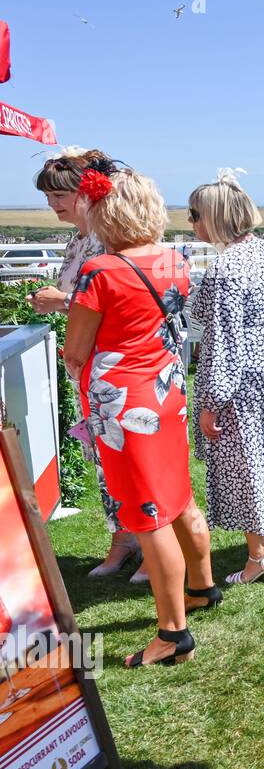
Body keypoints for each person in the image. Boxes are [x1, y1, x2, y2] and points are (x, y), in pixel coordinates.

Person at [62, 165, 217, 667]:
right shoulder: (175, 259)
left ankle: (173, 634)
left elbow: (77, 348)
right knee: (179, 497)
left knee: (148, 515)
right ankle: (202, 587)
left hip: (122, 406)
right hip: (166, 391)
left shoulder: (100, 271)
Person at [28, 147, 142, 580]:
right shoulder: (79, 239)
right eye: (48, 197)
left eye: (60, 194)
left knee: (130, 455)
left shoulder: (110, 236)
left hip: (116, 363)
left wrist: (63, 300)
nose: (53, 204)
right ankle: (124, 538)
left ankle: (150, 546)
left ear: (87, 192)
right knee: (104, 456)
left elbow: (128, 299)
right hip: (89, 365)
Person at [188, 171, 264, 587]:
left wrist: (212, 401)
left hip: (241, 380)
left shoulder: (225, 267)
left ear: (215, 218)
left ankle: (261, 554)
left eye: (195, 215)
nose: (192, 223)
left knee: (244, 466)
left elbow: (221, 337)